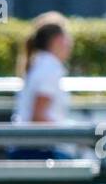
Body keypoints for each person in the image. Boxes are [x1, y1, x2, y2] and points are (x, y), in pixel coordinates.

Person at [9, 11, 72, 159]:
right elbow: (38, 117)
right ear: (58, 40)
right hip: (38, 152)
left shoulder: (41, 64)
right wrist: (70, 131)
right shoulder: (49, 68)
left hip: (29, 148)